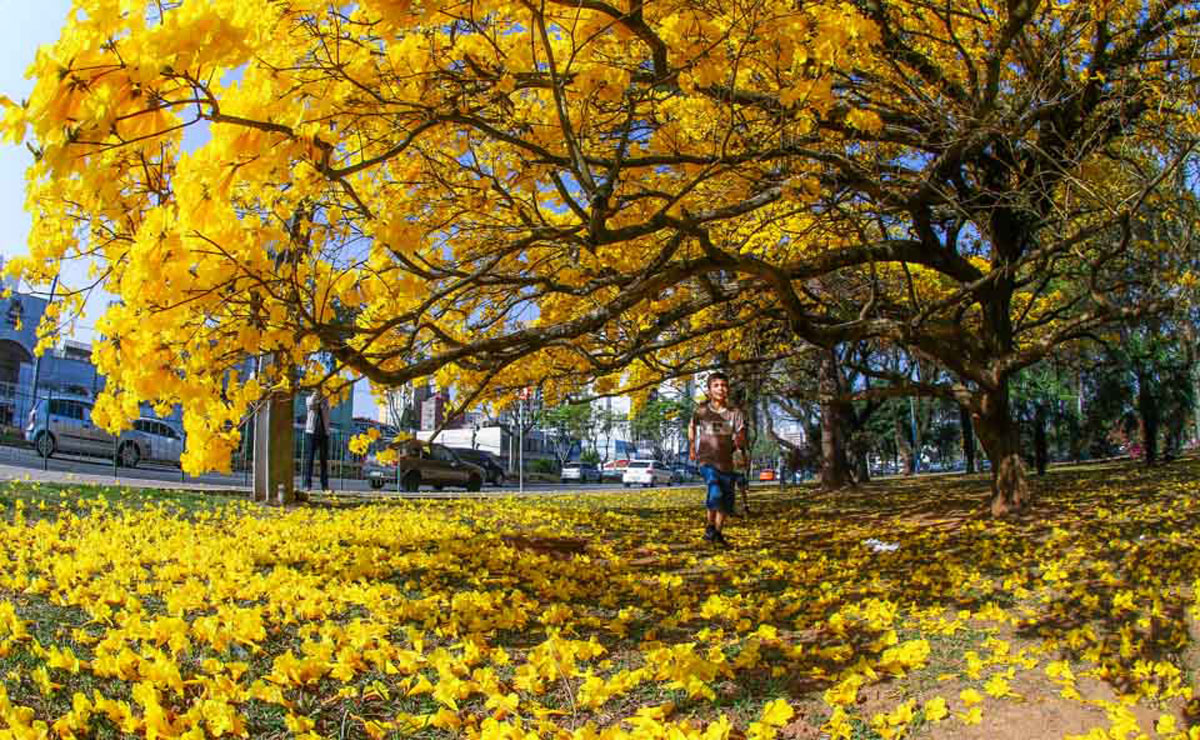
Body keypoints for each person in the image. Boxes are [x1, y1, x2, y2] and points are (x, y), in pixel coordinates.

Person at [688, 372, 747, 547]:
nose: (720, 389)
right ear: (709, 390)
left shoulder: (735, 413)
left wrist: (739, 443)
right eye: (716, 385)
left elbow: (741, 432)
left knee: (726, 501)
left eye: (724, 385)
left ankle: (717, 533)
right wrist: (692, 446)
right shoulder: (702, 410)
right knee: (715, 491)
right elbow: (691, 426)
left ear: (728, 389)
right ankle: (709, 526)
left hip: (727, 463)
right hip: (706, 460)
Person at [303, 389, 331, 492]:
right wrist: (316, 394)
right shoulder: (309, 398)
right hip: (311, 432)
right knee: (309, 459)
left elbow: (328, 409)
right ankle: (307, 484)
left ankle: (325, 485)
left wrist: (323, 398)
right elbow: (310, 405)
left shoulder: (325, 401)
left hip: (324, 433)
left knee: (324, 461)